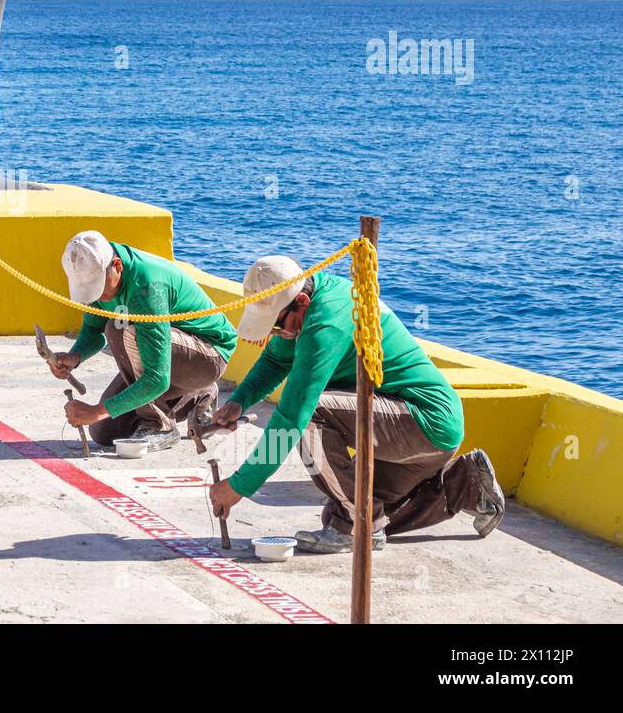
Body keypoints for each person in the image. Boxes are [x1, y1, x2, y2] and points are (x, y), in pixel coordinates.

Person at [207, 255, 505, 552]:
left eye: (278, 326)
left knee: (313, 416)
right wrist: (239, 401)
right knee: (346, 514)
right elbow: (275, 359)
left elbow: (291, 419)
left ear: (301, 302)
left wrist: (237, 487)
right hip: (410, 426)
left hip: (424, 421)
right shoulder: (306, 300)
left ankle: (357, 524)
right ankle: (466, 484)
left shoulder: (324, 326)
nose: (279, 334)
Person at [51, 231, 237, 450]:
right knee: (103, 431)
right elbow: (93, 328)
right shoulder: (98, 274)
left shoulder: (147, 289)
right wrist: (75, 356)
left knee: (120, 330)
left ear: (117, 266)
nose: (97, 295)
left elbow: (157, 379)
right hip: (169, 355)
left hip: (208, 356)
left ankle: (161, 426)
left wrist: (96, 411)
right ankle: (198, 395)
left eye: (98, 286)